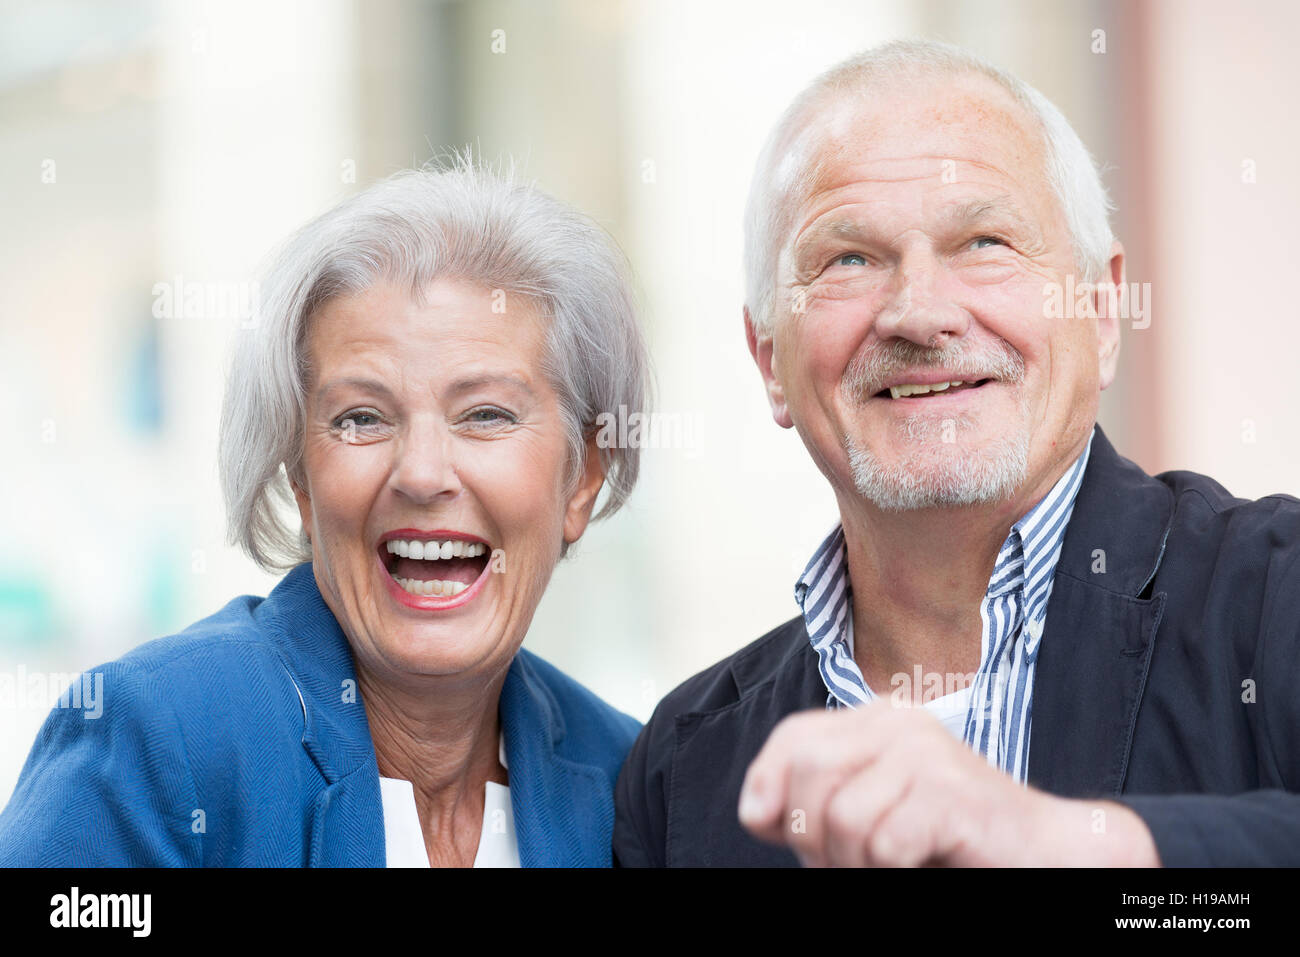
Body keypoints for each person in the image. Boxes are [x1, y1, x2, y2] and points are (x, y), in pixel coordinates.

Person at [613, 39, 1300, 867]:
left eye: (984, 242)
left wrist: (1068, 847)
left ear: (1103, 309)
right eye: (849, 259)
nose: (919, 311)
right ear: (769, 362)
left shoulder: (1276, 602)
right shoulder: (683, 769)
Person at [0, 159, 648, 867]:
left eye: (486, 414)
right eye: (362, 418)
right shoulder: (157, 739)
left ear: (583, 477)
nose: (423, 473)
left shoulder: (629, 776)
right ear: (301, 479)